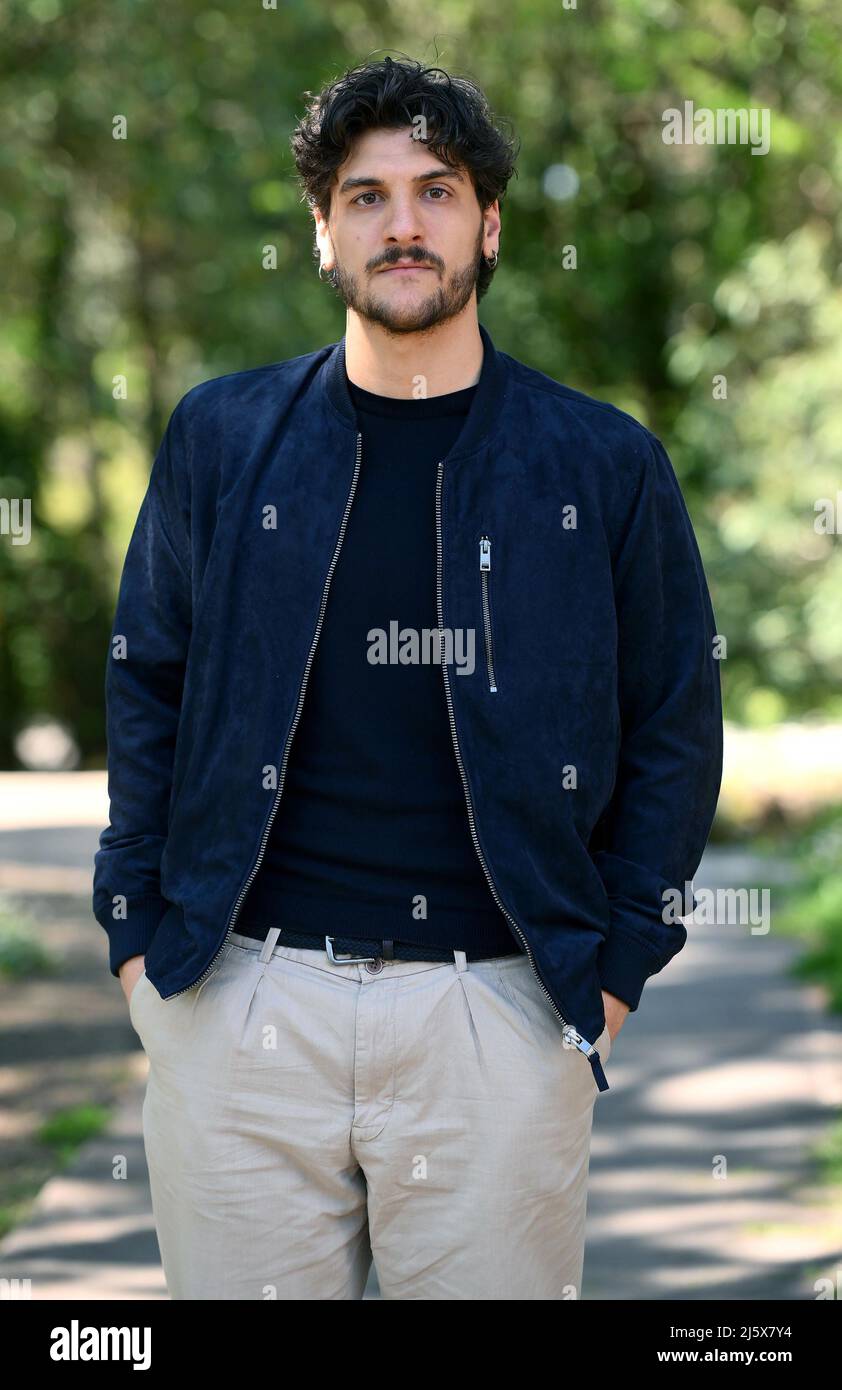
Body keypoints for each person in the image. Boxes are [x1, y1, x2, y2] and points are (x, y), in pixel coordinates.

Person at [93, 56, 723, 1300]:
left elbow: (671, 720)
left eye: (434, 191)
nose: (401, 224)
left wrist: (611, 972)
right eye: (365, 195)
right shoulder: (221, 439)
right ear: (321, 229)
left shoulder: (600, 463)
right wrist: (137, 943)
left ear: (488, 223)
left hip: (496, 1011)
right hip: (242, 1002)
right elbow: (146, 681)